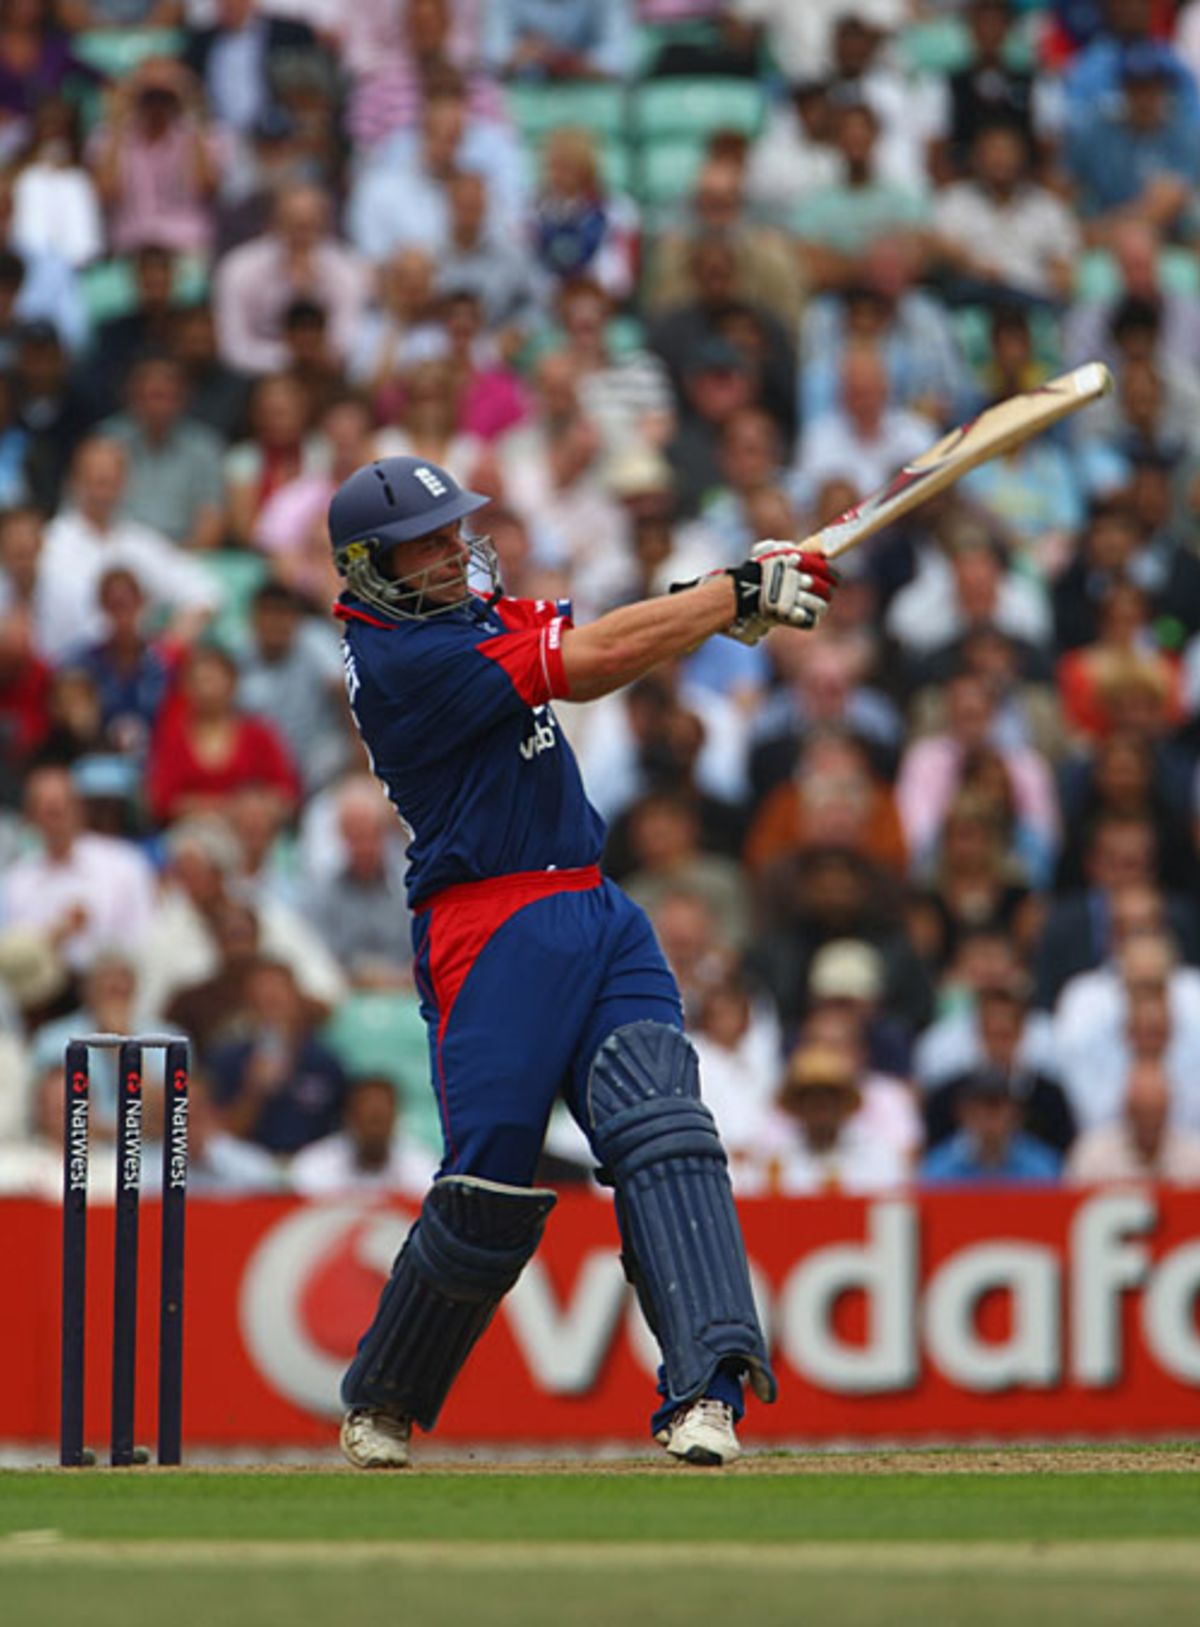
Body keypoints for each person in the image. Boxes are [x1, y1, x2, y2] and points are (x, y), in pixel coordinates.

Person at [328, 452, 838, 1469]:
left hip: (597, 905)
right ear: (372, 566)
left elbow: (609, 630)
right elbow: (594, 665)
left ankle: (707, 1391)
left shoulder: (472, 618)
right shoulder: (402, 664)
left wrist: (727, 597)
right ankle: (384, 1396)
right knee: (492, 1183)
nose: (455, 549)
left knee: (666, 1126)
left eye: (454, 529)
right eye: (429, 541)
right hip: (491, 924)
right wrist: (724, 595)